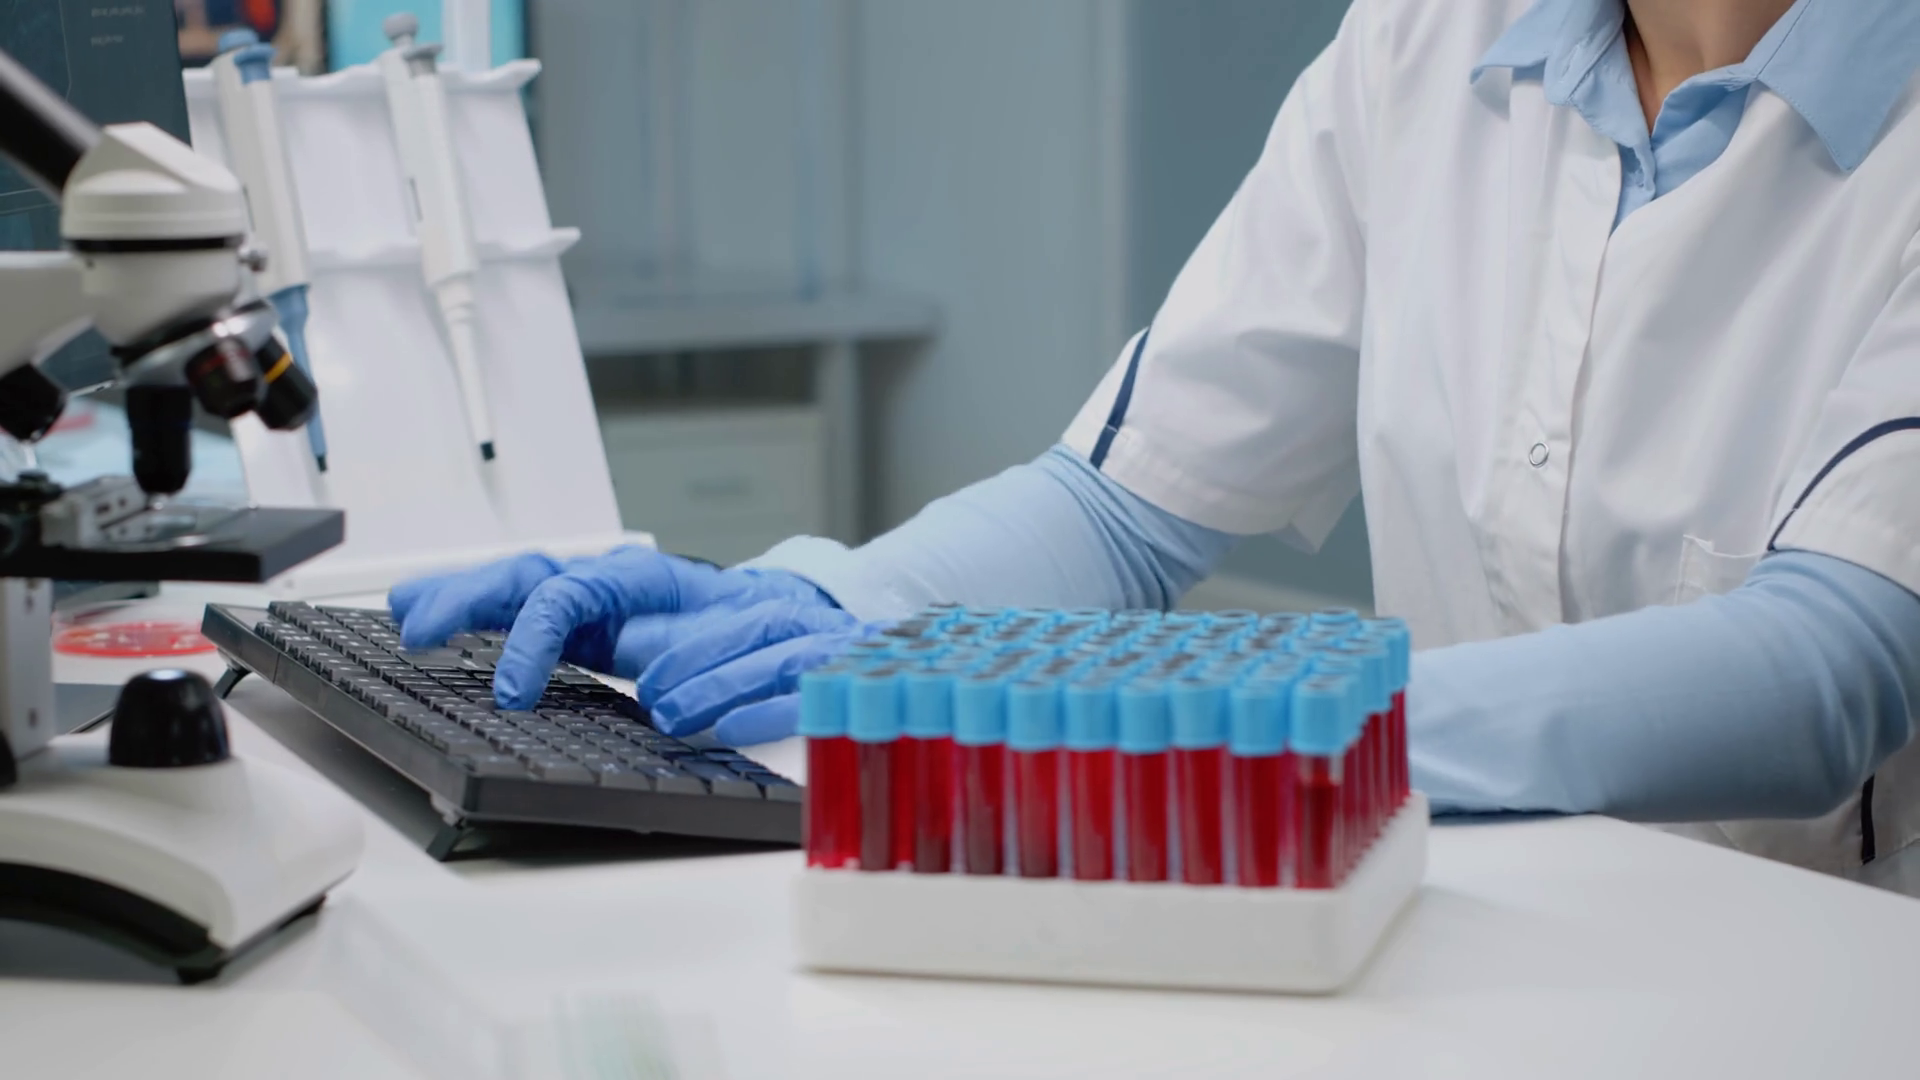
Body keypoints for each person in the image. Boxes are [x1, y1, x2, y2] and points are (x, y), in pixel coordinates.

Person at [392, 0, 1920, 892]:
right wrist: (828, 600)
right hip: (1458, 934)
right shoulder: (1426, 37)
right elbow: (1128, 510)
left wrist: (1196, 710)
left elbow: (1829, 663)